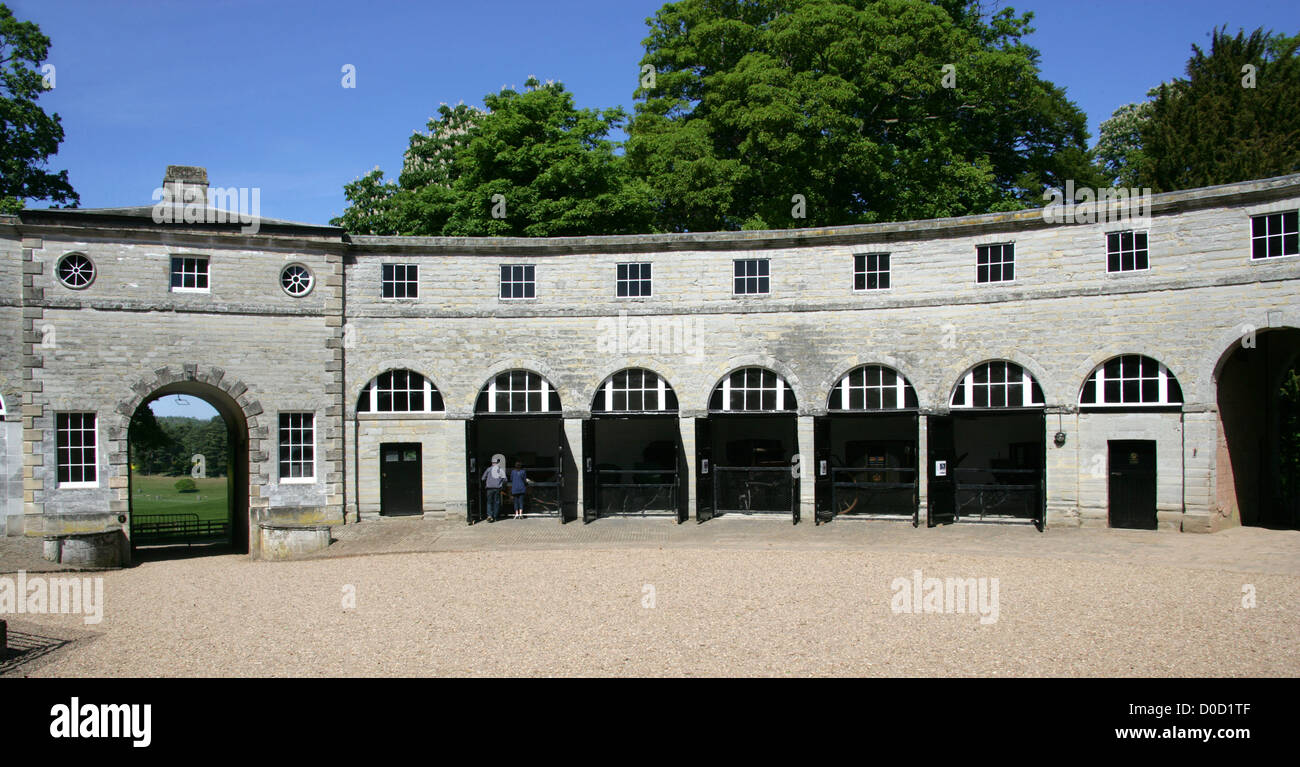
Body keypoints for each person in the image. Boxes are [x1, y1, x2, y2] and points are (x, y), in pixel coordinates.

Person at [481, 454, 506, 522]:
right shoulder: (500, 470)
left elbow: (483, 478)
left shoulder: (488, 469)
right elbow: (505, 479)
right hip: (497, 488)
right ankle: (495, 516)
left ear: (492, 463)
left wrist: (488, 480)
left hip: (489, 488)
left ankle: (489, 515)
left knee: (489, 502)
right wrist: (501, 483)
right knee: (496, 502)